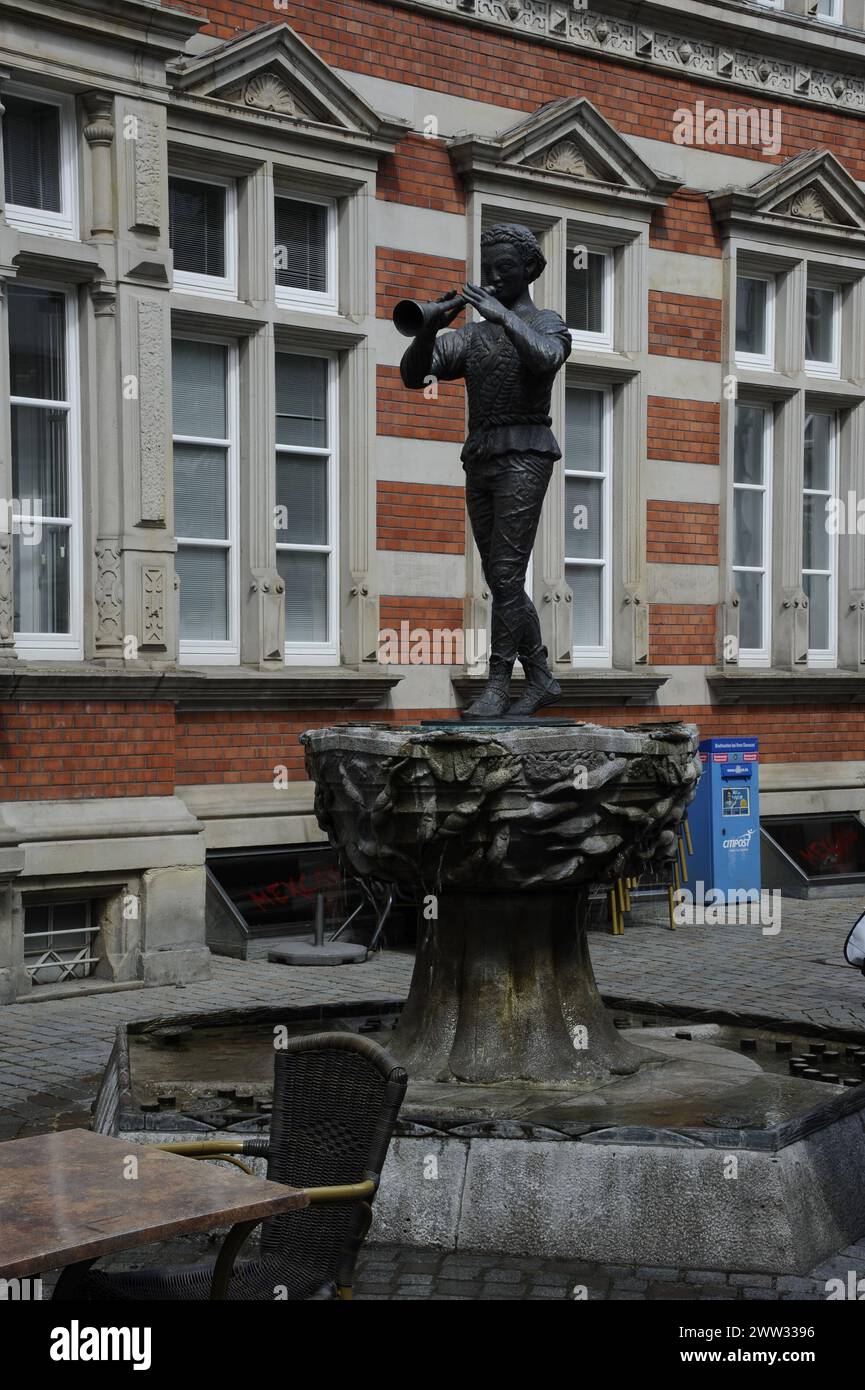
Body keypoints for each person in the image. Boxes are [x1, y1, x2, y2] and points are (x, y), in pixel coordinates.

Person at [399, 223, 572, 717]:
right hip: (481, 457)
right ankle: (539, 676)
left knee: (504, 570)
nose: (493, 278)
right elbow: (415, 375)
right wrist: (432, 322)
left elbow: (546, 359)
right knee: (502, 579)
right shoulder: (471, 337)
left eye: (505, 269)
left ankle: (499, 684)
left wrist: (502, 316)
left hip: (526, 452)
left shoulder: (547, 322)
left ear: (529, 270)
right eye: (488, 269)